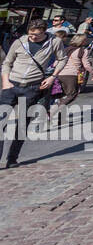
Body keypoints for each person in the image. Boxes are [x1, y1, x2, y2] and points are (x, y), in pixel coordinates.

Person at [1, 19, 66, 167]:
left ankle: (12, 158)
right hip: (11, 86)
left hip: (31, 89)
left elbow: (63, 59)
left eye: (36, 35)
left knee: (22, 125)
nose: (33, 38)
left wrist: (52, 77)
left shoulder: (54, 42)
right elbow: (7, 62)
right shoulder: (20, 42)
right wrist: (5, 81)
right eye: (30, 34)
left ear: (44, 32)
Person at [55, 32, 93, 106]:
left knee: (63, 94)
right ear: (82, 41)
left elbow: (56, 63)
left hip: (60, 74)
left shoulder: (65, 49)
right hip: (71, 75)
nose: (86, 41)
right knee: (72, 94)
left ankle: (59, 112)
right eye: (85, 40)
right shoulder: (83, 51)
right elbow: (86, 65)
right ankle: (56, 108)